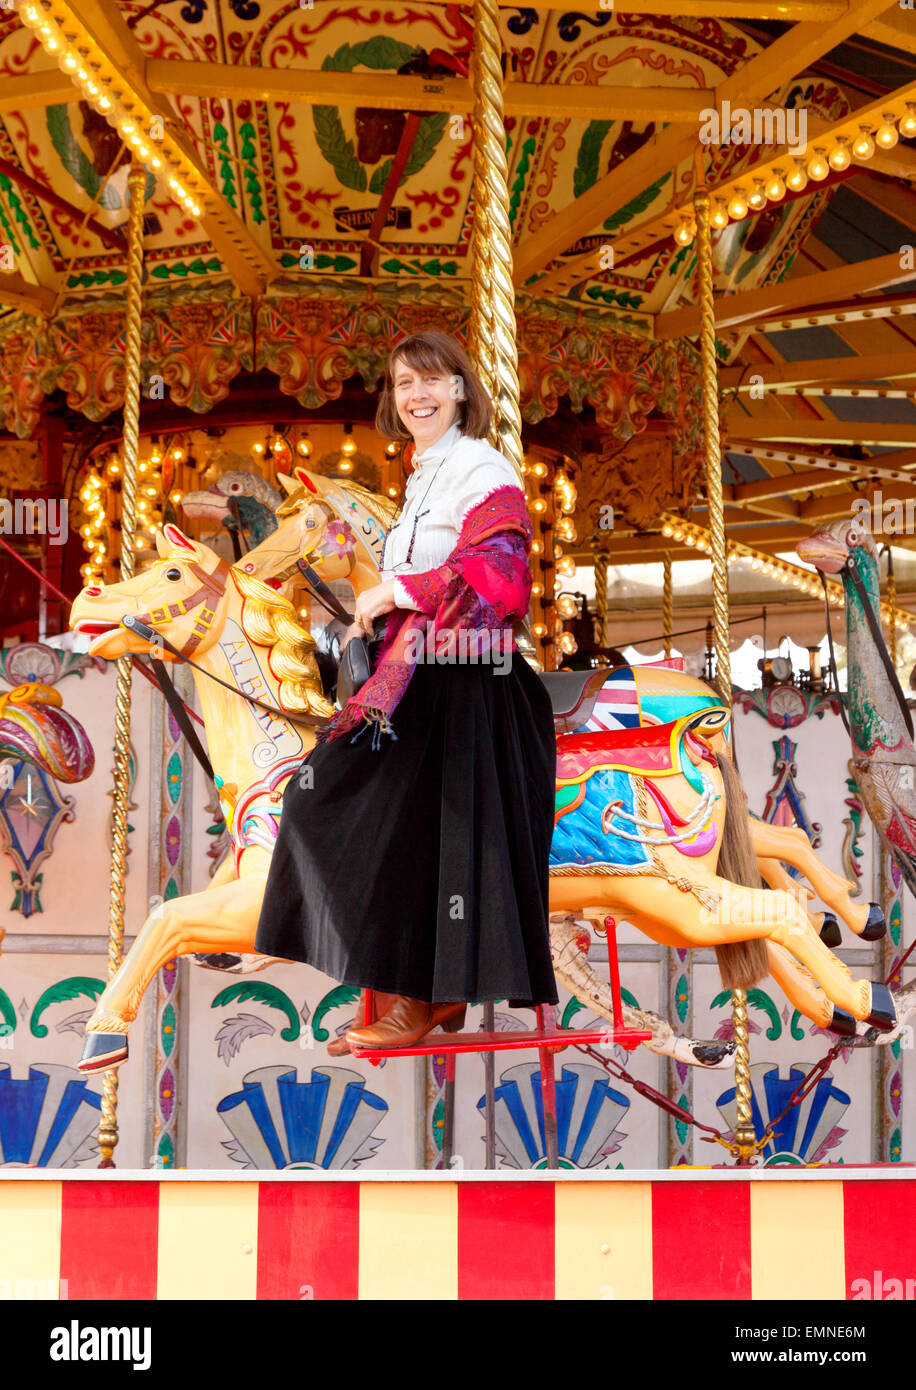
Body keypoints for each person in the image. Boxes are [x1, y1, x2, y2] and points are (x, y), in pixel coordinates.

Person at [254, 329, 559, 1049]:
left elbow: (502, 574)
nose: (417, 395)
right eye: (403, 383)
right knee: (322, 798)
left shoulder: (482, 470)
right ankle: (393, 993)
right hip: (421, 669)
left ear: (461, 389)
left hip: (465, 677)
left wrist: (399, 590)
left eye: (432, 380)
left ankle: (422, 998)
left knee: (394, 820)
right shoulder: (423, 476)